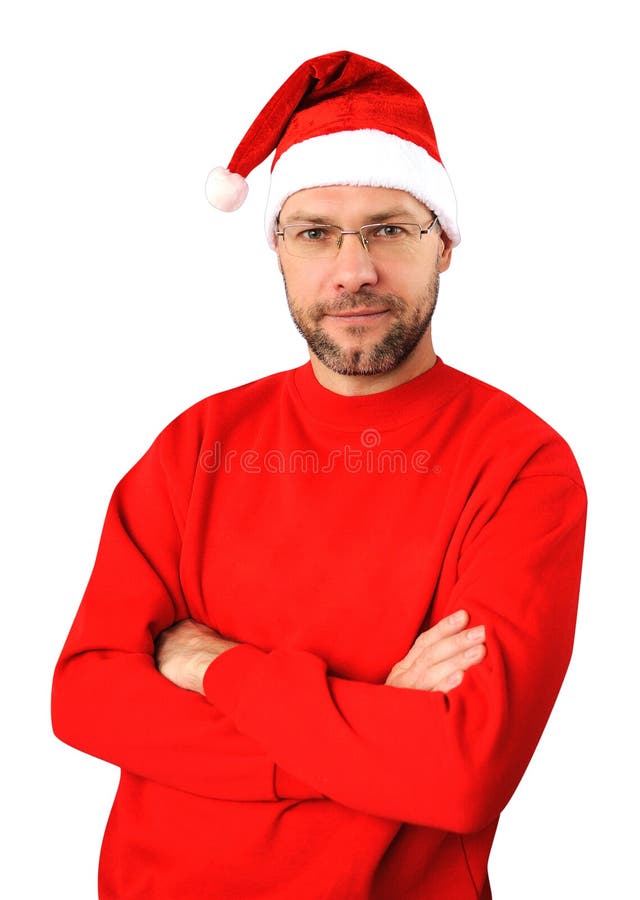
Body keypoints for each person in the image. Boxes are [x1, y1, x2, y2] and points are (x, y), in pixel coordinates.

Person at [51, 50, 587, 899]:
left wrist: (213, 667)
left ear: (444, 245)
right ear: (277, 250)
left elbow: (456, 772)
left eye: (389, 228)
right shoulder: (198, 444)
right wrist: (370, 725)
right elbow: (85, 696)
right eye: (316, 232)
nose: (354, 269)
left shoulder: (521, 466)